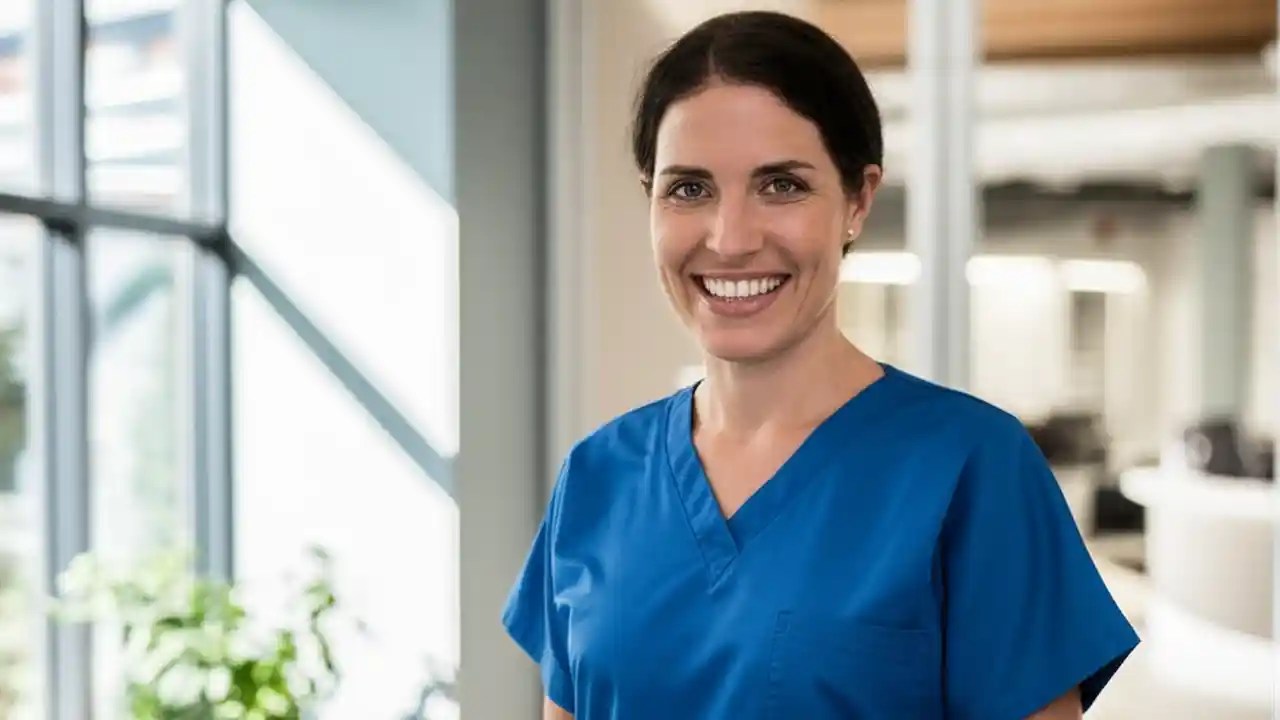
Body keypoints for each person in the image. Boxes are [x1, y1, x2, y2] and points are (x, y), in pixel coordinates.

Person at [503, 10, 1138, 720]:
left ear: (858, 200)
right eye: (689, 188)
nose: (731, 238)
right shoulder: (599, 476)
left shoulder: (971, 469)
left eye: (781, 185)